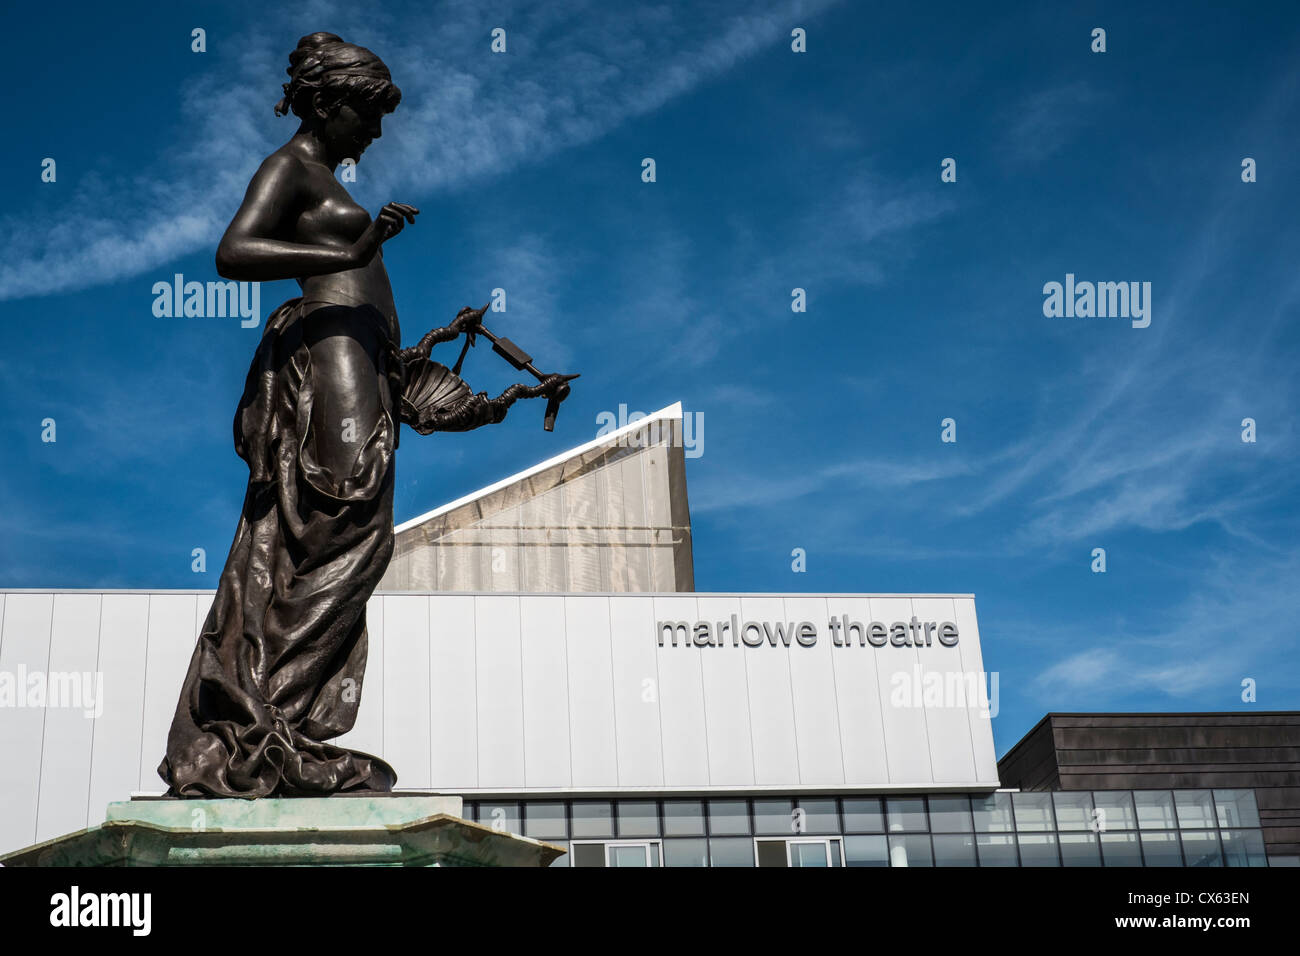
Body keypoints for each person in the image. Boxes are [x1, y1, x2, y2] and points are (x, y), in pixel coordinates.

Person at [158, 32, 568, 797]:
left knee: (341, 530)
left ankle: (280, 714)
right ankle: (265, 715)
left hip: (365, 356)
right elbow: (234, 252)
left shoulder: (323, 176)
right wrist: (345, 256)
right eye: (366, 113)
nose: (376, 130)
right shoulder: (289, 167)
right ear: (326, 103)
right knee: (349, 525)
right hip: (333, 349)